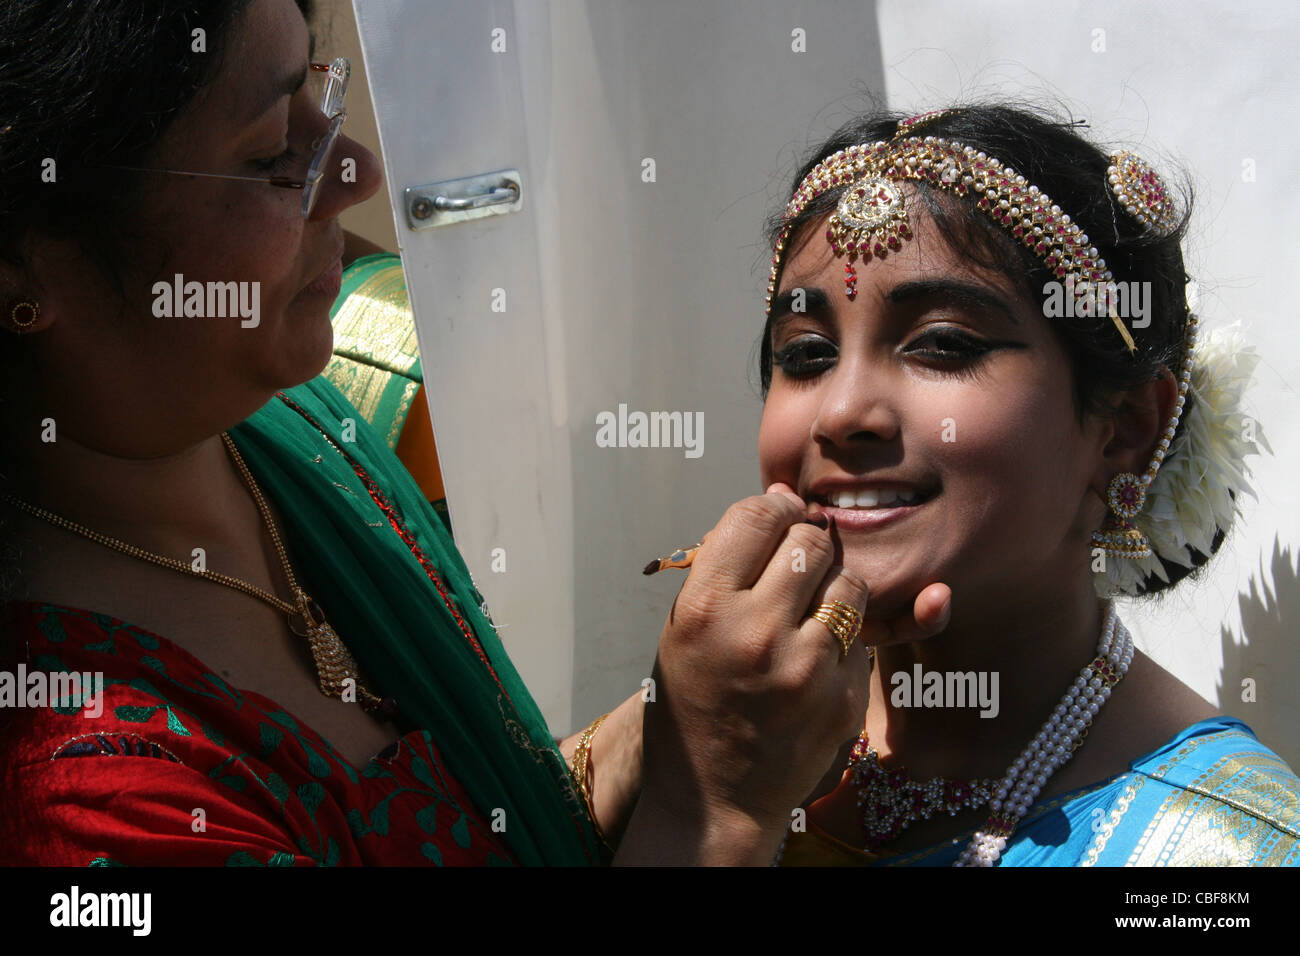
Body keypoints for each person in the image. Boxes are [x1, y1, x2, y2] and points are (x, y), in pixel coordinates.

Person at [0, 0, 909, 866]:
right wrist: (719, 806)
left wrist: (685, 720)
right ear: (25, 271)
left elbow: (484, 825)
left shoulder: (297, 438)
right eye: (275, 153)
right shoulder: (84, 809)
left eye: (320, 98)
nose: (357, 171)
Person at [755, 105, 1299, 865]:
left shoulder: (1224, 851)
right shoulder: (724, 731)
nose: (842, 414)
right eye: (806, 354)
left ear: (1124, 429)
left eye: (943, 344)